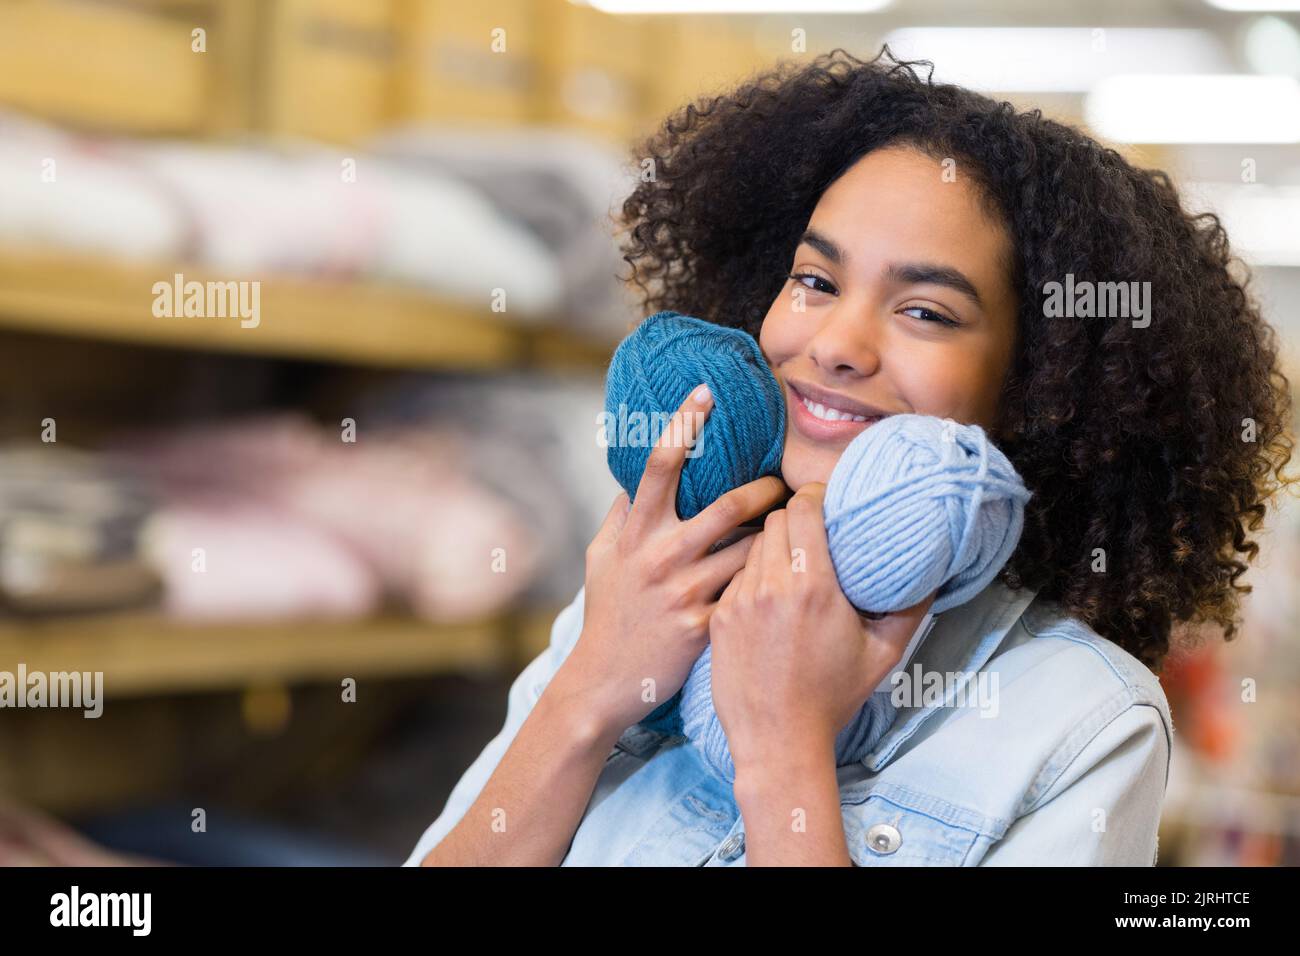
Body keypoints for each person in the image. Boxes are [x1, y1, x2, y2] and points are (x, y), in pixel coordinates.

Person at [405, 47, 1294, 866]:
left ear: (1039, 385)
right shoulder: (644, 598)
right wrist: (589, 691)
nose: (836, 343)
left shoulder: (1080, 721)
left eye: (925, 312)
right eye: (817, 281)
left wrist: (783, 749)